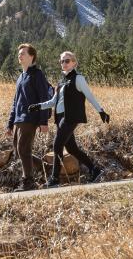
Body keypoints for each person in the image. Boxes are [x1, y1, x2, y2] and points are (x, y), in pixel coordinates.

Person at [28, 51, 111, 187]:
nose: (64, 63)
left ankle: (54, 179)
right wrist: (38, 106)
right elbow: (53, 102)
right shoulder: (61, 81)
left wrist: (101, 111)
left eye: (67, 61)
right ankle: (94, 170)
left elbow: (89, 96)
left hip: (71, 117)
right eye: (62, 61)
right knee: (72, 149)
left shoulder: (78, 79)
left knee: (57, 145)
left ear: (74, 62)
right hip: (60, 117)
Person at [7, 43, 53, 191]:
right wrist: (9, 123)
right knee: (19, 150)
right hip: (19, 118)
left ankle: (28, 181)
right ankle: (46, 168)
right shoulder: (21, 77)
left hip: (31, 117)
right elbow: (16, 101)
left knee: (23, 148)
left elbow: (43, 97)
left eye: (23, 53)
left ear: (31, 56)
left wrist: (43, 121)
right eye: (19, 53)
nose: (20, 55)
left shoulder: (37, 74)